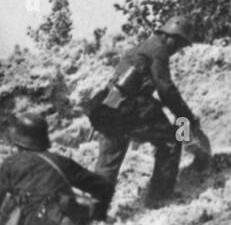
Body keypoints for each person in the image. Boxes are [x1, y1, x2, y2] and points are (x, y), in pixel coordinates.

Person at [89, 16, 211, 210]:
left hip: (107, 108)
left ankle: (94, 210)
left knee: (107, 163)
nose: (177, 49)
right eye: (178, 44)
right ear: (169, 37)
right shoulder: (158, 50)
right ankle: (159, 199)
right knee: (172, 141)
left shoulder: (140, 48)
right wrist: (188, 122)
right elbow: (166, 91)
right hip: (131, 107)